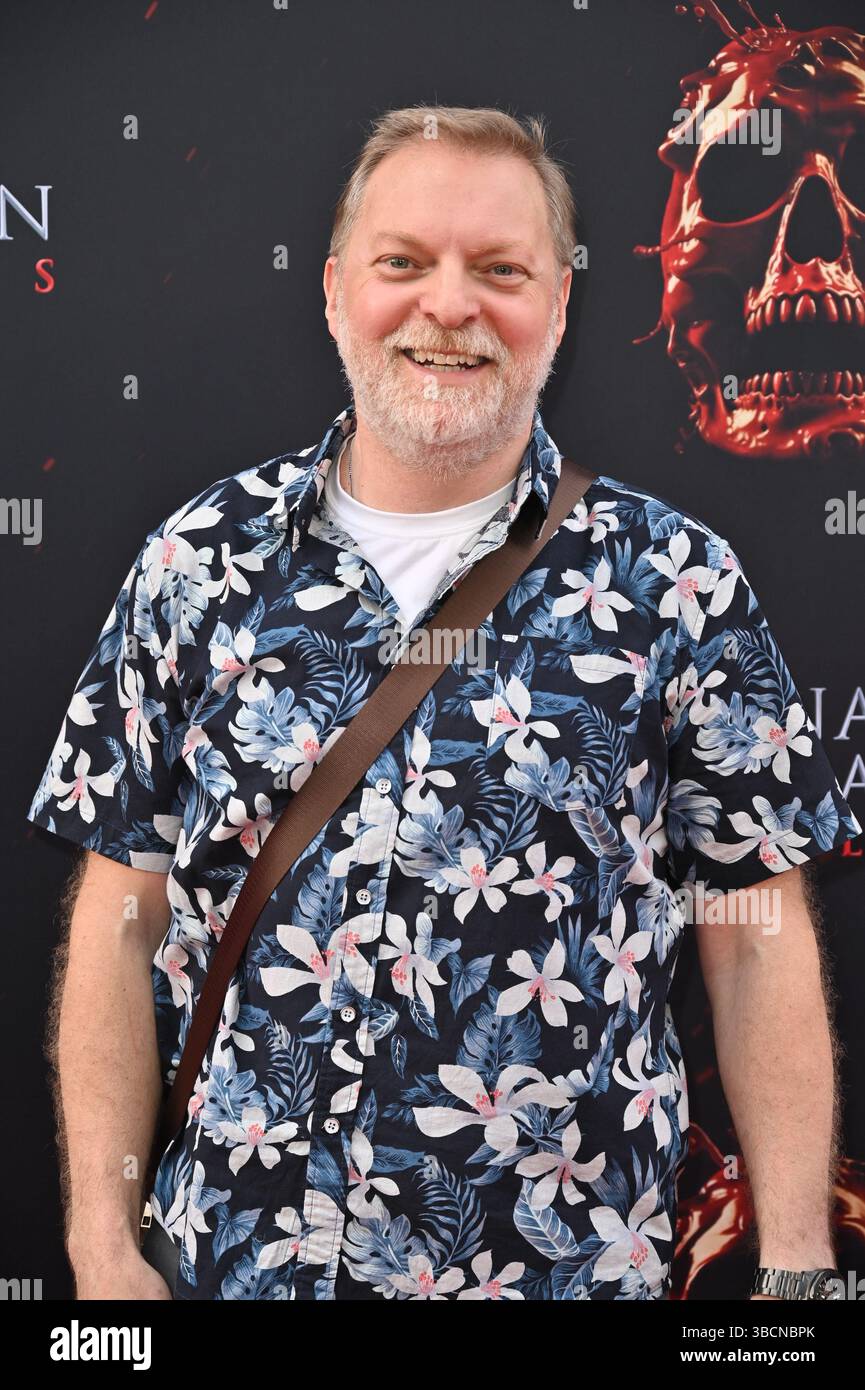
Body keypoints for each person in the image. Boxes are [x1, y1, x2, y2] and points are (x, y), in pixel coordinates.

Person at [26, 105, 861, 1301]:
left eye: (501, 270)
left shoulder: (676, 579)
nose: (449, 305)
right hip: (236, 1274)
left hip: (562, 1278)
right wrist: (102, 1250)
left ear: (562, 305)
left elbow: (754, 940)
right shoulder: (195, 562)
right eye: (403, 262)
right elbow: (121, 913)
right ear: (332, 291)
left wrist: (792, 1270)